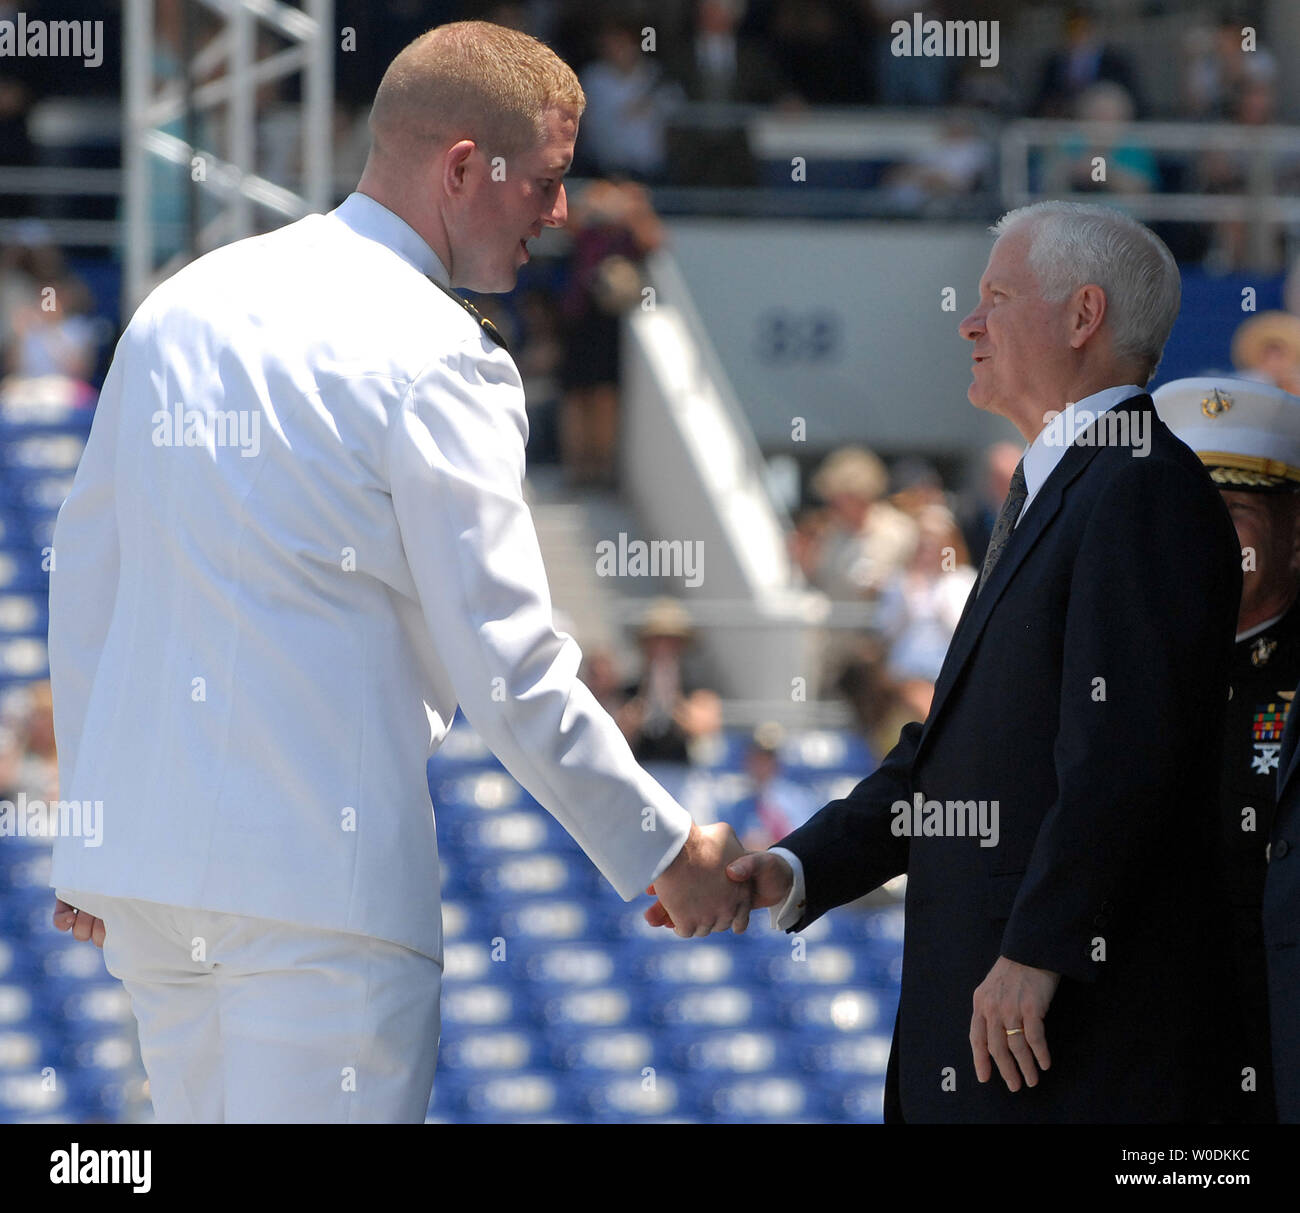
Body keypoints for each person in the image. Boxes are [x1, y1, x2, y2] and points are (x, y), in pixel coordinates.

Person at [47, 20, 749, 1125]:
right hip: (323, 902)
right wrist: (664, 846)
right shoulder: (440, 355)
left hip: (155, 888)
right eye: (551, 181)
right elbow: (510, 671)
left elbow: (88, 582)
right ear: (467, 167)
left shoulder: (179, 305)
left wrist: (91, 836)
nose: (560, 215)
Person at [666, 201, 1244, 1123]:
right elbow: (950, 755)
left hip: (1058, 1047)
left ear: (1082, 316)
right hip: (997, 1038)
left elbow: (1126, 756)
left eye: (997, 297)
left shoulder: (1139, 489)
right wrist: (794, 865)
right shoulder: (1060, 486)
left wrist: (1041, 950)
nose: (969, 322)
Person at [1154, 375, 1300, 1123]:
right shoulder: (1114, 662)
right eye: (1192, 510)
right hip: (1153, 1061)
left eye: (1237, 512)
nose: (1209, 535)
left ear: (1296, 533)